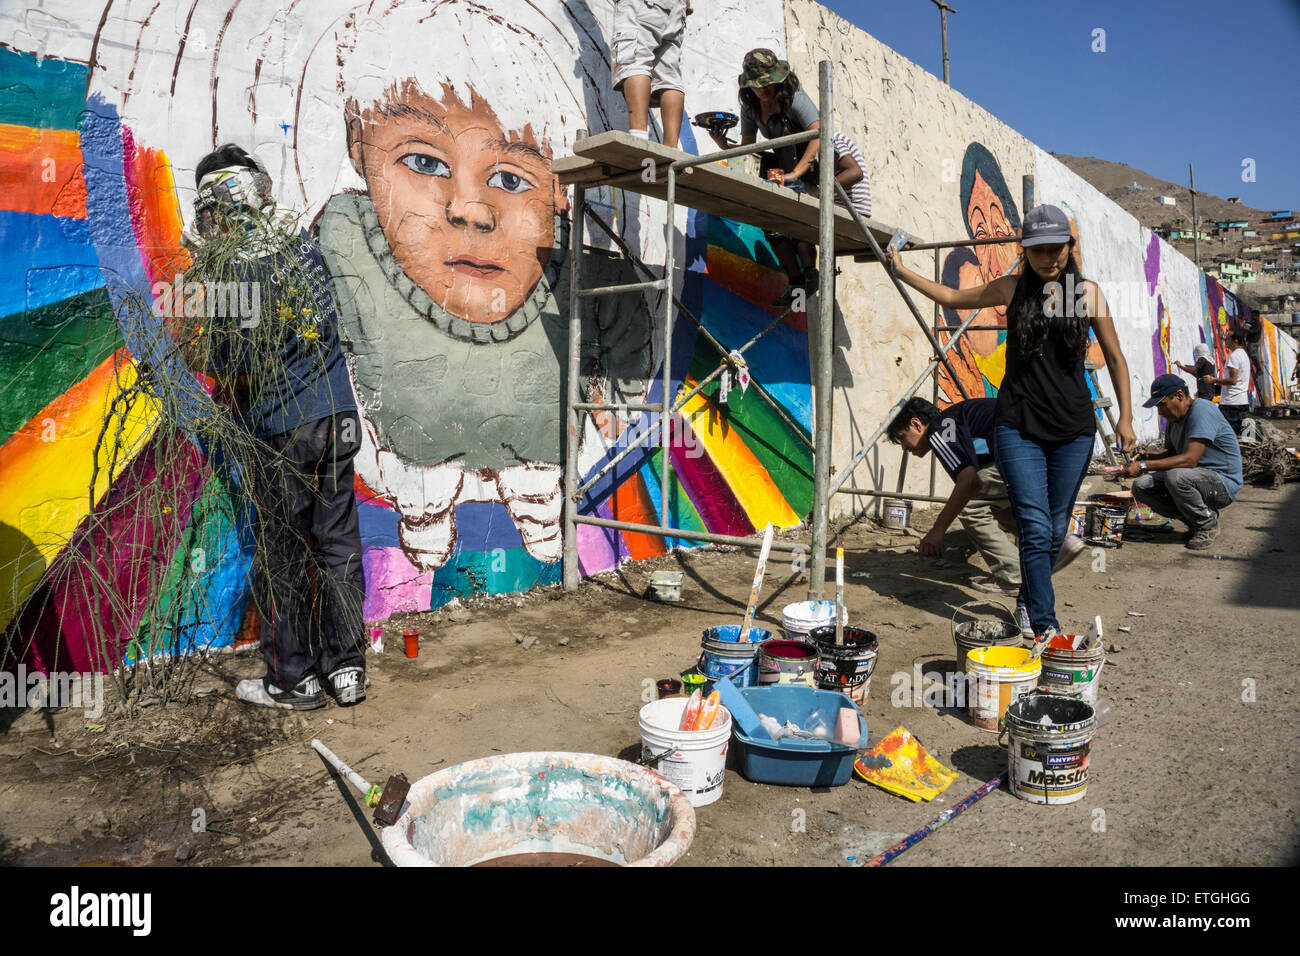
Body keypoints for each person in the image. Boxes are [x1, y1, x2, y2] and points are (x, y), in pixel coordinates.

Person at [312, 0, 653, 574]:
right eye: (423, 162)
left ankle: (539, 506)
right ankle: (427, 511)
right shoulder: (349, 241)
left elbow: (624, 302)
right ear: (360, 152)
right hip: (411, 449)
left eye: (510, 179)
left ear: (560, 192)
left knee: (538, 486)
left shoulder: (570, 263)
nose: (470, 210)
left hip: (539, 447)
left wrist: (613, 402)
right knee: (421, 482)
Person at [886, 204, 1135, 642]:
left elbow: (1115, 357)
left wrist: (1126, 420)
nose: (1049, 258)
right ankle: (1045, 624)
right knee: (1036, 526)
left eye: (1057, 249)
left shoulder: (1087, 294)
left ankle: (1027, 599)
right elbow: (951, 298)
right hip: (1017, 425)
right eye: (1039, 250)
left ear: (1068, 248)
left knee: (1057, 527)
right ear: (1026, 251)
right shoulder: (1012, 288)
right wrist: (902, 271)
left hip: (1074, 429)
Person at [183, 144, 368, 710]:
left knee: (284, 552)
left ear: (216, 202)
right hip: (336, 415)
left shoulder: (232, 266)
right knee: (337, 546)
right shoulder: (298, 243)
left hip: (283, 428)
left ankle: (297, 679)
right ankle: (348, 672)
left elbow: (230, 361)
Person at [888, 396, 1086, 637]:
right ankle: (1050, 548)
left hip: (1021, 452)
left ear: (917, 424)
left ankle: (1015, 574)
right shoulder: (958, 419)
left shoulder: (940, 429)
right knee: (1004, 506)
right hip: (1050, 446)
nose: (904, 448)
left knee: (971, 505)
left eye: (901, 438)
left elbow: (968, 481)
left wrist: (937, 531)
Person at [707, 49, 871, 306]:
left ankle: (808, 271)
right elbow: (748, 147)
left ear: (778, 79)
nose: (761, 90)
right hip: (786, 167)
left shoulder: (794, 100)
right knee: (769, 217)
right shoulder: (750, 108)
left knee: (801, 220)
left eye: (766, 84)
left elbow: (821, 136)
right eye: (756, 85)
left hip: (816, 173)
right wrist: (723, 146)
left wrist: (803, 178)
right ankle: (796, 279)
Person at [1124, 373, 1241, 550]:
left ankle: (1207, 525)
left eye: (1162, 405)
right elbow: (1173, 453)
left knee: (1176, 477)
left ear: (1179, 396)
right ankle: (1196, 520)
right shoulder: (1174, 420)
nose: (1160, 412)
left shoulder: (1202, 410)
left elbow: (1190, 459)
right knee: (1141, 486)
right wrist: (1149, 457)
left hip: (1223, 483)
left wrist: (1144, 465)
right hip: (1195, 478)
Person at [612, 1, 690, 148]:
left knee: (635, 60)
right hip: (677, 7)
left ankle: (639, 138)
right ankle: (671, 149)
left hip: (644, 5)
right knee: (669, 75)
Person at [1205, 329, 1251, 433]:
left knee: (1226, 434)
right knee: (1239, 435)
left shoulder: (1234, 356)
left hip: (1231, 404)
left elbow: (1233, 380)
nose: (1225, 340)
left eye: (1227, 338)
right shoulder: (1243, 354)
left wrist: (1213, 380)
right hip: (1241, 402)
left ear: (1235, 341)